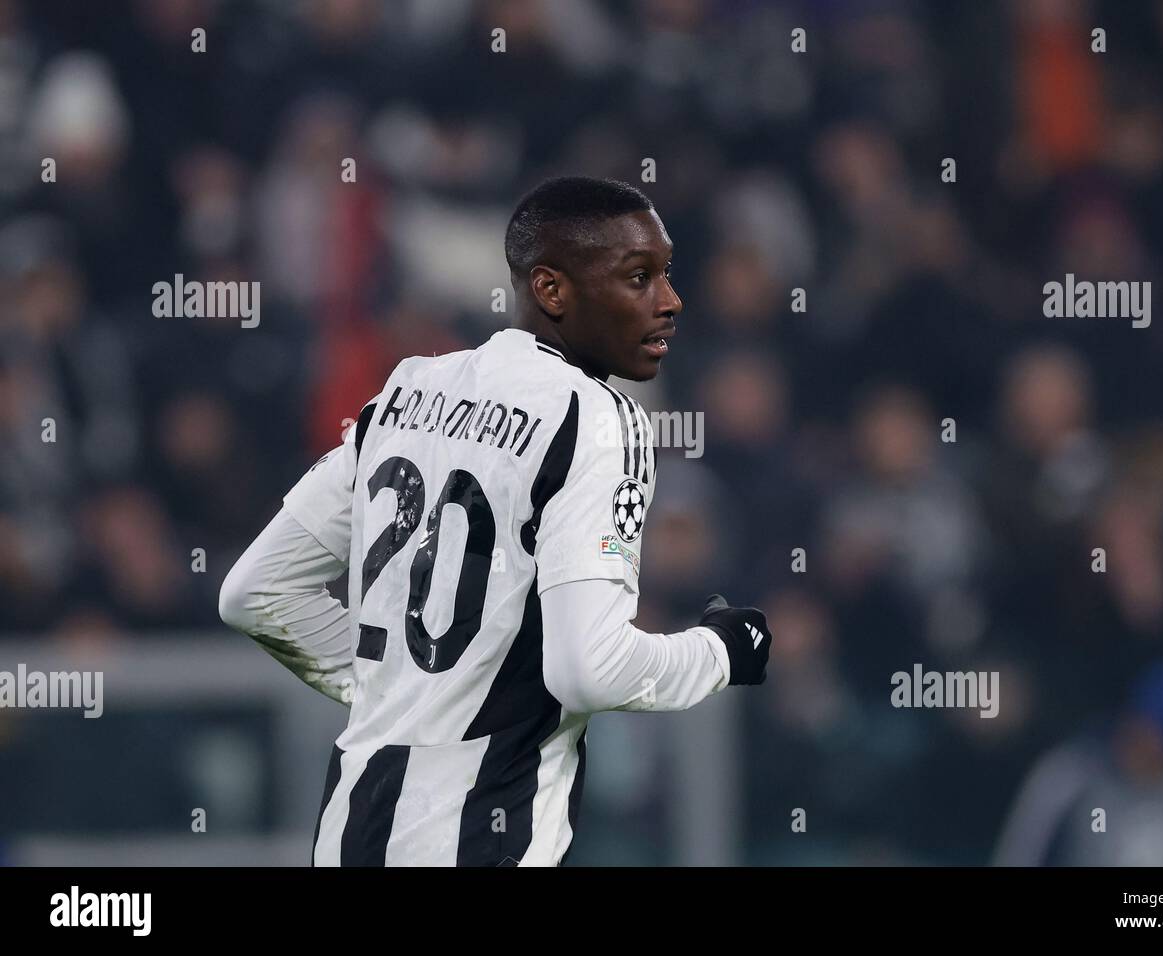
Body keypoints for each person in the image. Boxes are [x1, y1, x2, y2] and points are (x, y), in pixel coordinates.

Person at [218, 176, 773, 866]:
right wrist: (722, 651)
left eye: (666, 274)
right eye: (638, 277)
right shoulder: (595, 417)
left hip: (347, 839)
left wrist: (407, 694)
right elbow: (591, 672)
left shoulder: (409, 389)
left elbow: (256, 592)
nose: (669, 301)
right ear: (551, 290)